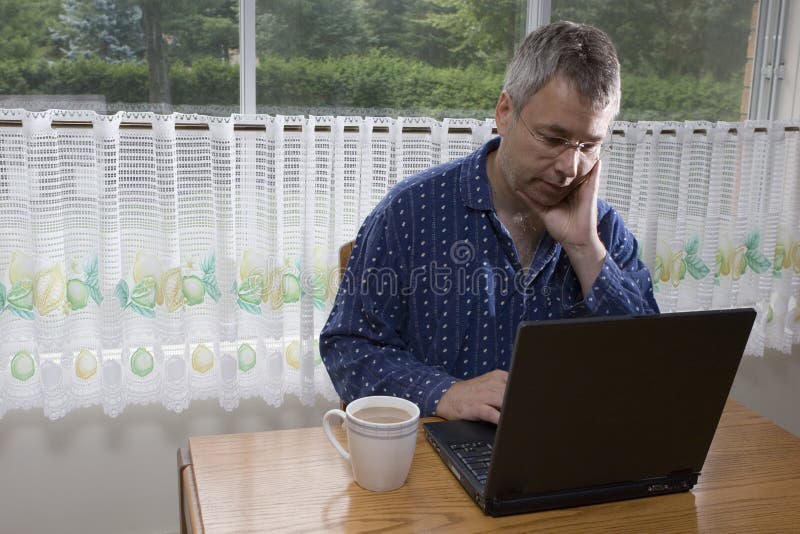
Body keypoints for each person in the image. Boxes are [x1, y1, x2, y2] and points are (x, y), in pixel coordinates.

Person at [320, 21, 659, 425]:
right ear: (505, 112)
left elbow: (649, 367)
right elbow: (349, 348)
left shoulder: (602, 228)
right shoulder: (411, 211)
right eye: (553, 139)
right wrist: (443, 392)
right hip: (437, 458)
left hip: (565, 452)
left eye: (589, 145)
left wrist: (585, 249)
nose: (570, 168)